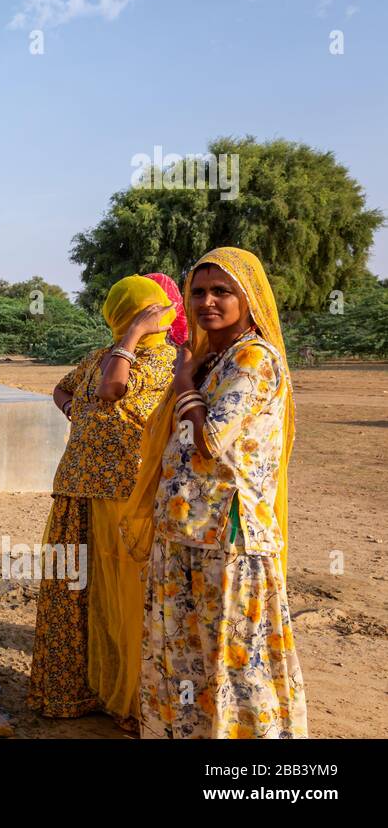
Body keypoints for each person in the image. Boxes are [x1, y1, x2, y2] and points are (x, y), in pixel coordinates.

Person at [128, 247, 307, 738]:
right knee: (187, 656)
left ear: (248, 299)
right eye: (199, 292)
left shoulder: (253, 358)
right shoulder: (214, 357)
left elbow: (210, 440)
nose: (208, 301)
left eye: (221, 291)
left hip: (229, 539)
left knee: (233, 657)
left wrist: (183, 381)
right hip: (185, 529)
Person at [28, 275, 175, 726]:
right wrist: (73, 407)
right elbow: (63, 387)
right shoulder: (101, 356)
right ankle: (78, 690)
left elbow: (113, 389)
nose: (157, 317)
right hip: (78, 487)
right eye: (138, 313)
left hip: (127, 492)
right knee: (75, 592)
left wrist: (130, 338)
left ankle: (131, 701)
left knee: (124, 597)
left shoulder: (168, 360)